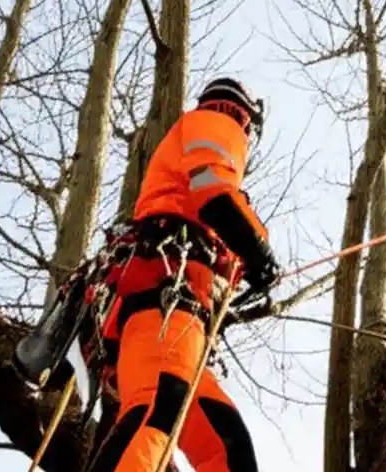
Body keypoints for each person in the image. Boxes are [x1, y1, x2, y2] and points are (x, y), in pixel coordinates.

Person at [85, 77, 280, 472]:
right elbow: (213, 194)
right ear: (244, 116)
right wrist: (259, 253)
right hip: (166, 300)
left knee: (227, 445)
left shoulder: (179, 158)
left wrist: (241, 262)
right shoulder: (218, 123)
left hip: (177, 312)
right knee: (158, 408)